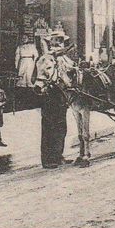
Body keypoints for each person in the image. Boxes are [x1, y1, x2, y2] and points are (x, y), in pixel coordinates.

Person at [34, 30, 75, 168]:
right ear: (50, 41)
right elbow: (40, 77)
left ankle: (58, 156)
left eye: (61, 40)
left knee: (61, 127)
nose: (58, 42)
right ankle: (48, 159)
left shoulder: (62, 58)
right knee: (49, 127)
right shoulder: (45, 58)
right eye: (56, 39)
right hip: (49, 96)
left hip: (61, 96)